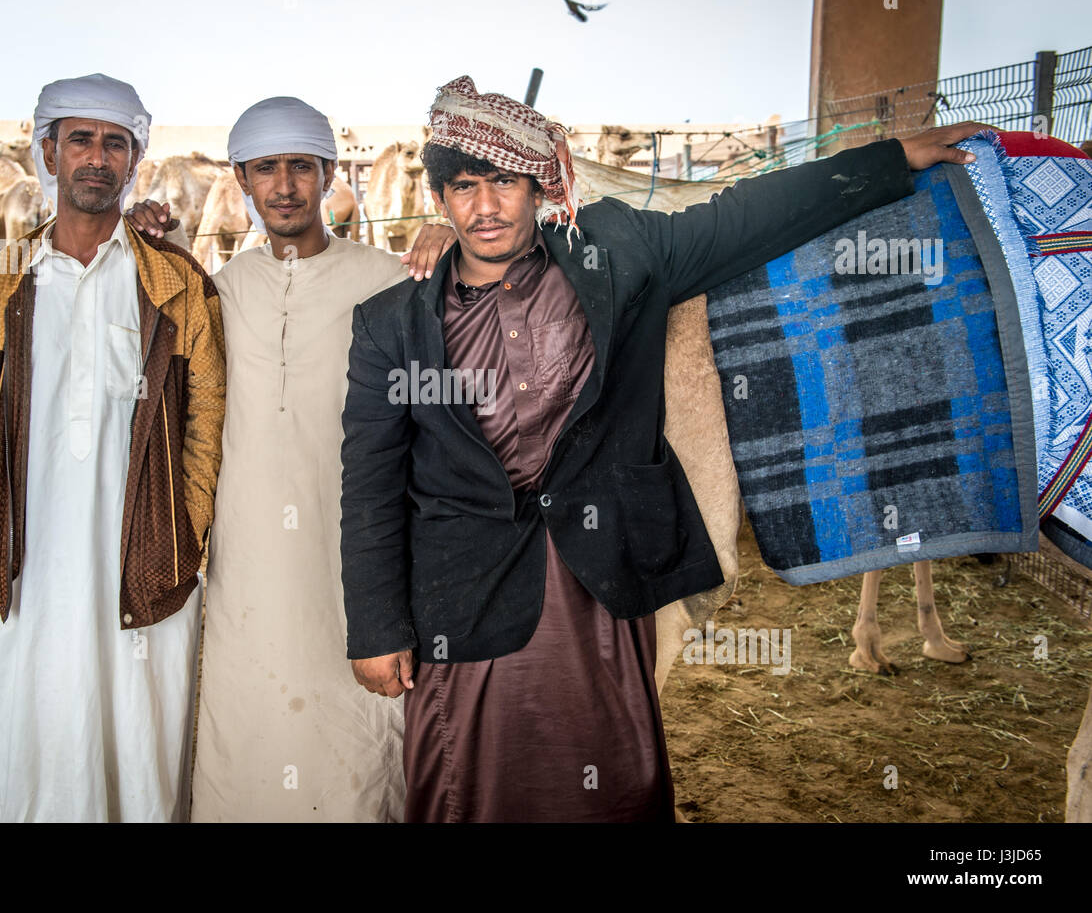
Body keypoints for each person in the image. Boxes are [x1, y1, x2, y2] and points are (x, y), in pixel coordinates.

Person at [339, 74, 988, 822]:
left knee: (609, 785)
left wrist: (889, 159)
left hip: (596, 590)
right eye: (462, 187)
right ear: (442, 198)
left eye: (502, 183)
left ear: (537, 185)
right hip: (463, 602)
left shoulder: (615, 254)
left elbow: (745, 216)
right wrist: (379, 625)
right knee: (469, 791)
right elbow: (370, 485)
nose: (482, 207)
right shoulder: (391, 323)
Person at [128, 96, 453, 821]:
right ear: (242, 179)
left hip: (358, 568)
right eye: (266, 169)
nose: (284, 186)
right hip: (247, 567)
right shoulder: (220, 294)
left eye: (301, 167)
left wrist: (447, 237)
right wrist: (144, 236)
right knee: (247, 730)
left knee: (361, 750)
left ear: (330, 174)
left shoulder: (390, 283)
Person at [0, 73, 226, 822]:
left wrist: (183, 528)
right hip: (27, 559)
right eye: (82, 140)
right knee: (30, 727)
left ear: (134, 162)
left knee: (143, 737)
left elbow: (206, 417)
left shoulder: (176, 283)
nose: (98, 157)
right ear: (50, 153)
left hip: (145, 559)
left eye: (115, 144)